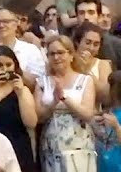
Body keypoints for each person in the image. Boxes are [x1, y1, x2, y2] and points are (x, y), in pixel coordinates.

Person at [36, 35, 97, 172]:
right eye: (52, 54)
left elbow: (87, 114)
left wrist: (64, 98)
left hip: (79, 144)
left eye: (61, 52)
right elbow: (39, 117)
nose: (56, 57)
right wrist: (54, 102)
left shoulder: (85, 81)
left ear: (71, 55)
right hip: (52, 145)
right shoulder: (41, 82)